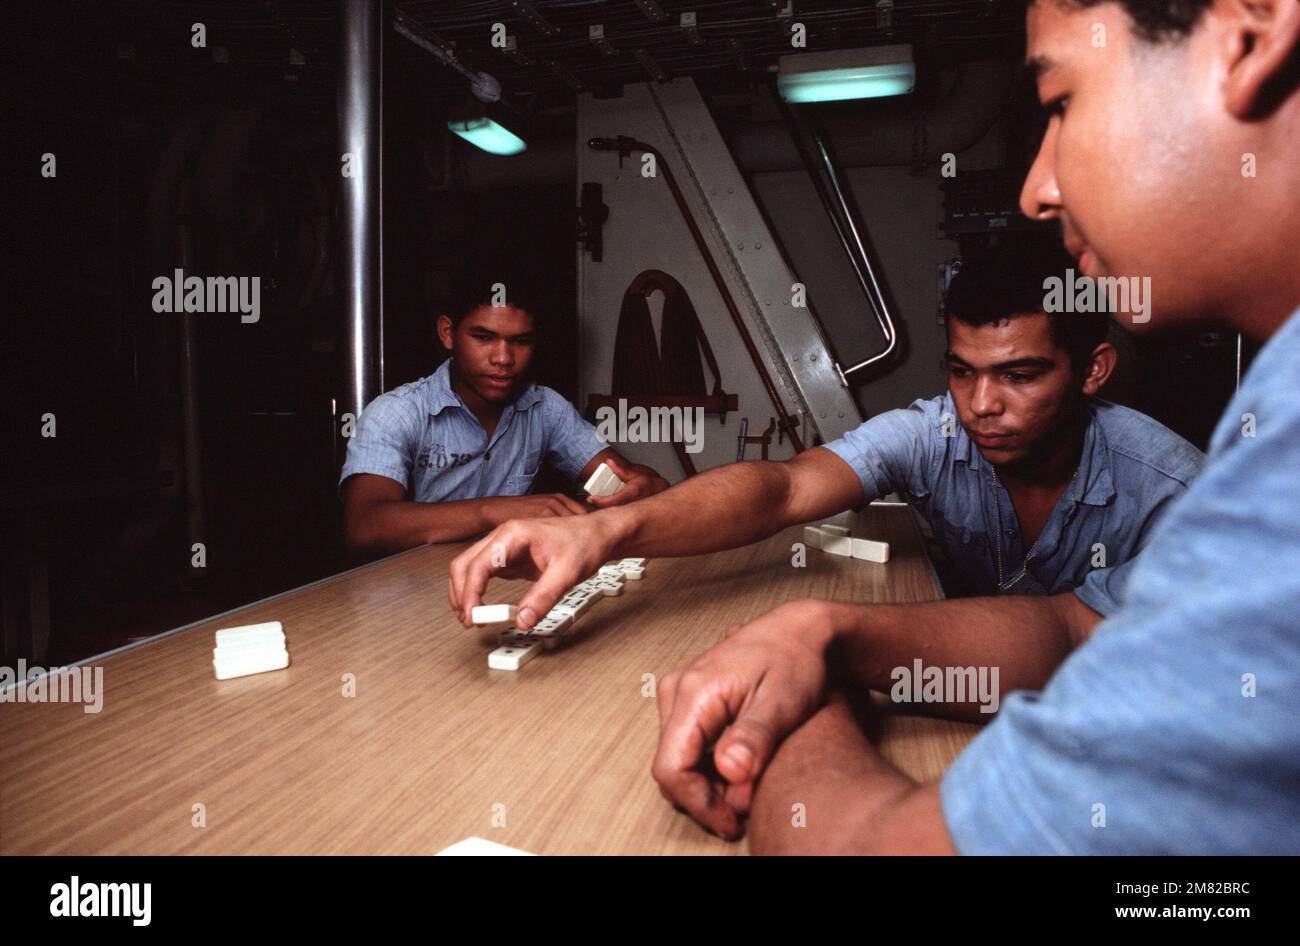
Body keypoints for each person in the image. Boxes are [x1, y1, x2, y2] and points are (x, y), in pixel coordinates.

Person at [647, 0, 1300, 853]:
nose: (1038, 189)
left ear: (1252, 27)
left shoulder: (1209, 485)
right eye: (963, 372)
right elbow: (1069, 626)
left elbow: (878, 845)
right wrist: (822, 629)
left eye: (1061, 102)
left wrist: (807, 697)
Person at [446, 249, 1202, 629]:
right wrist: (608, 532)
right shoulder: (928, 432)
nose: (980, 406)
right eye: (962, 372)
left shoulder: (1178, 492)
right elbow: (782, 488)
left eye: (1021, 376)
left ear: (1094, 371)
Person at [340, 282, 668, 552]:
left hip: (507, 582)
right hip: (409, 596)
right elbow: (365, 524)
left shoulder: (546, 407)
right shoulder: (396, 412)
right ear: (448, 333)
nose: (503, 359)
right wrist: (497, 511)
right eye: (483, 338)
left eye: (520, 342)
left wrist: (641, 485)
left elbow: (628, 477)